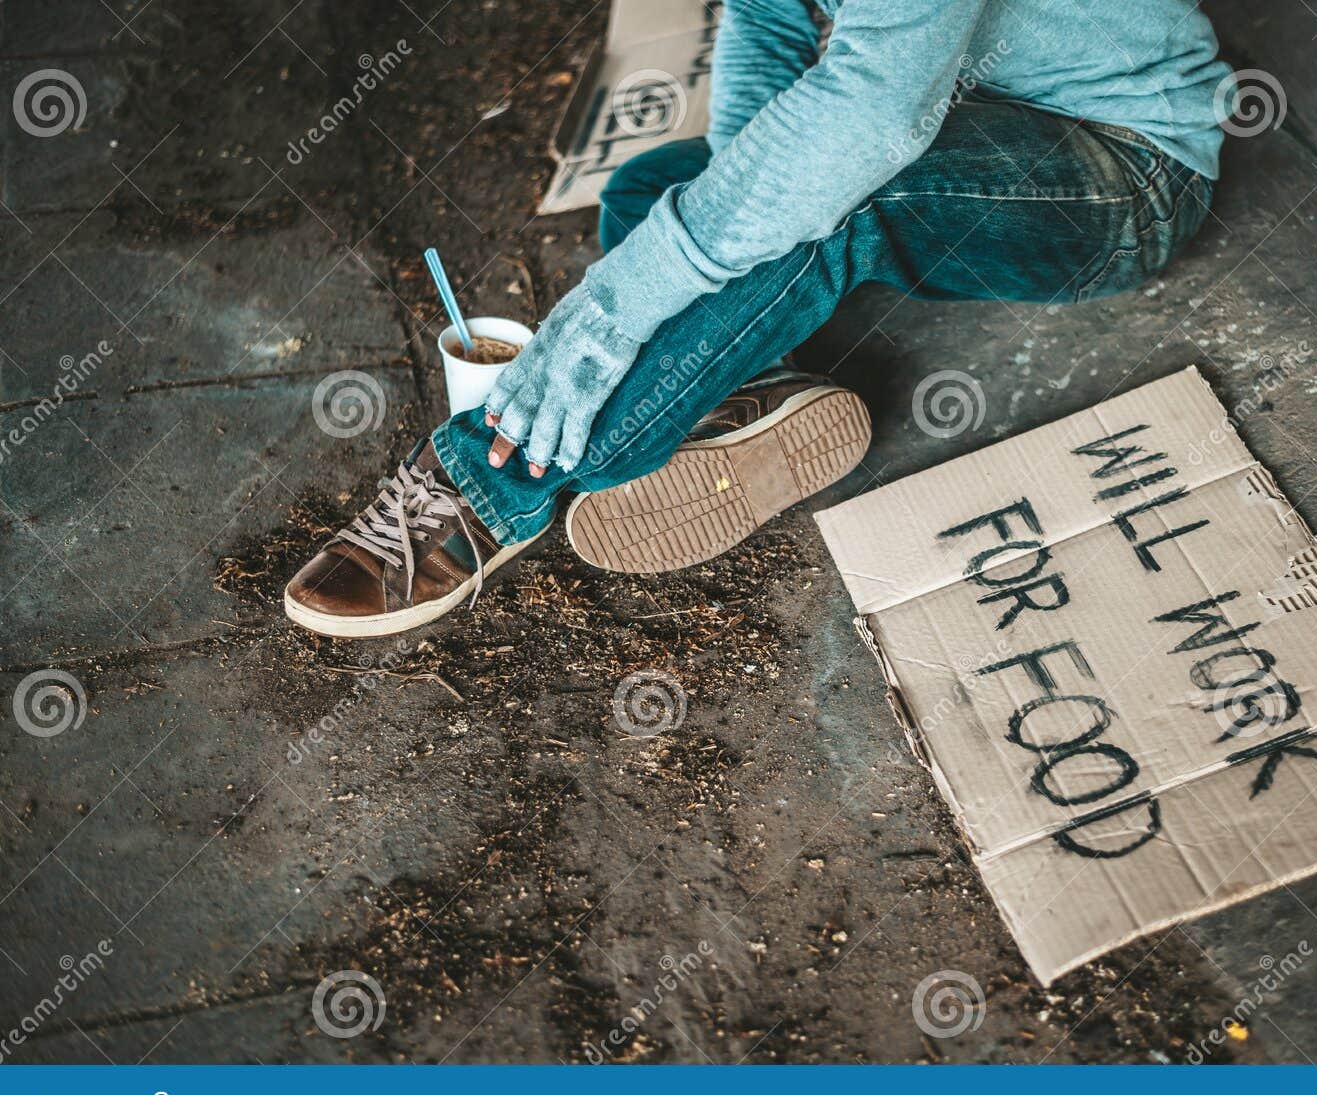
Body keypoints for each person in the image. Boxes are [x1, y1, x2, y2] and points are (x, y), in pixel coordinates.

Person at [284, 0, 1228, 638]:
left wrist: (614, 310)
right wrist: (741, 241)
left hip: (1120, 166)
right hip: (961, 108)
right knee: (659, 187)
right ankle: (749, 384)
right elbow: (769, 17)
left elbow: (876, 111)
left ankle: (488, 488)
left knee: (836, 197)